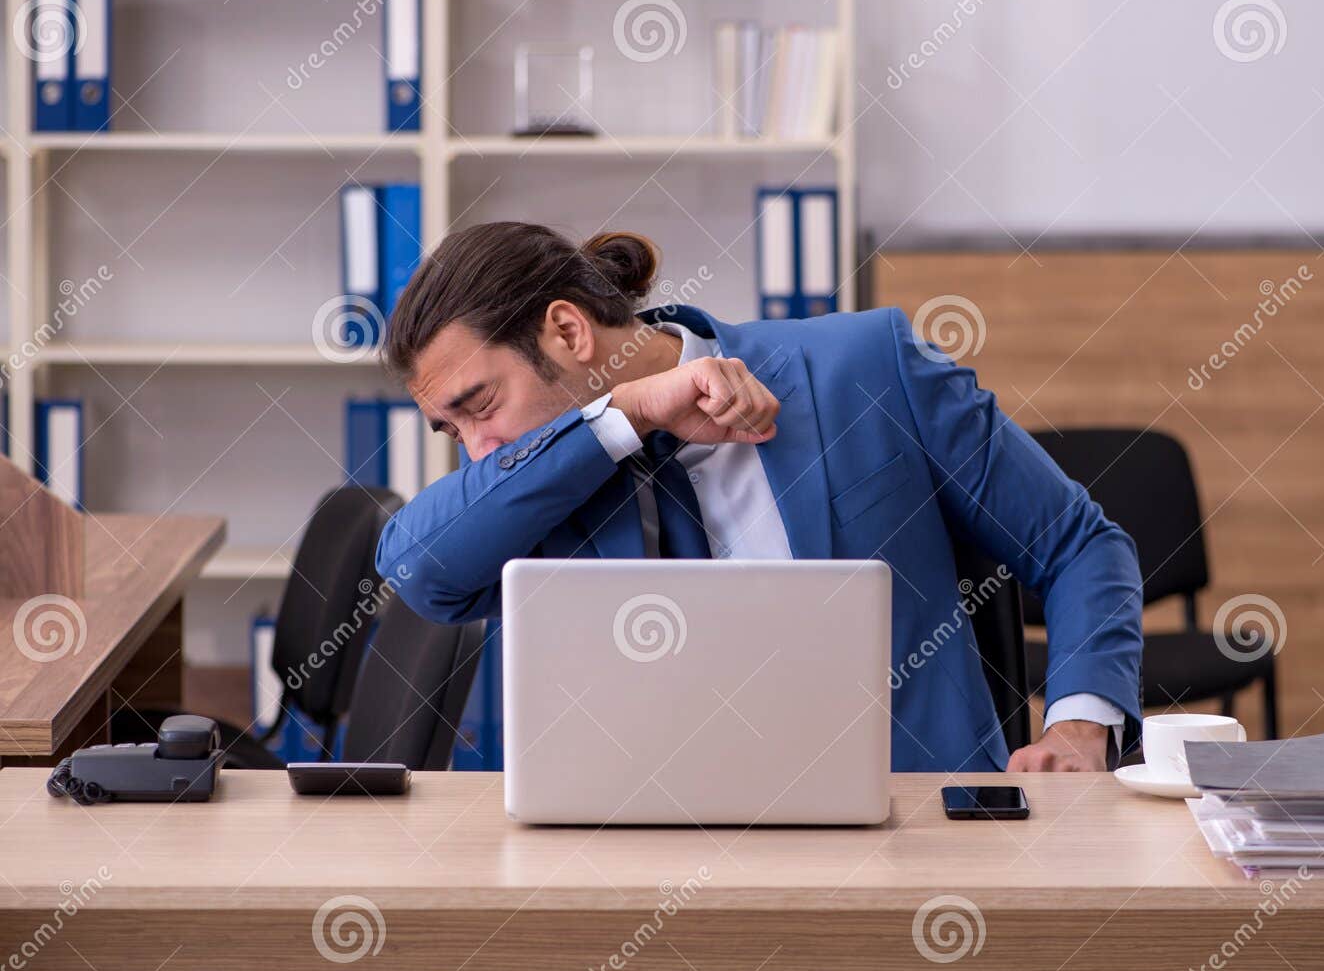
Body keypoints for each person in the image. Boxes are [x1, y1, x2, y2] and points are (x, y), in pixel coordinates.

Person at [374, 223, 1143, 772]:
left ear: (569, 333)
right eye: (452, 431)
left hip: (907, 823)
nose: (481, 452)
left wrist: (1079, 727)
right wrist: (629, 415)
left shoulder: (866, 367)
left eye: (480, 407)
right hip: (647, 851)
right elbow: (416, 571)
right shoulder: (541, 481)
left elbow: (1080, 543)